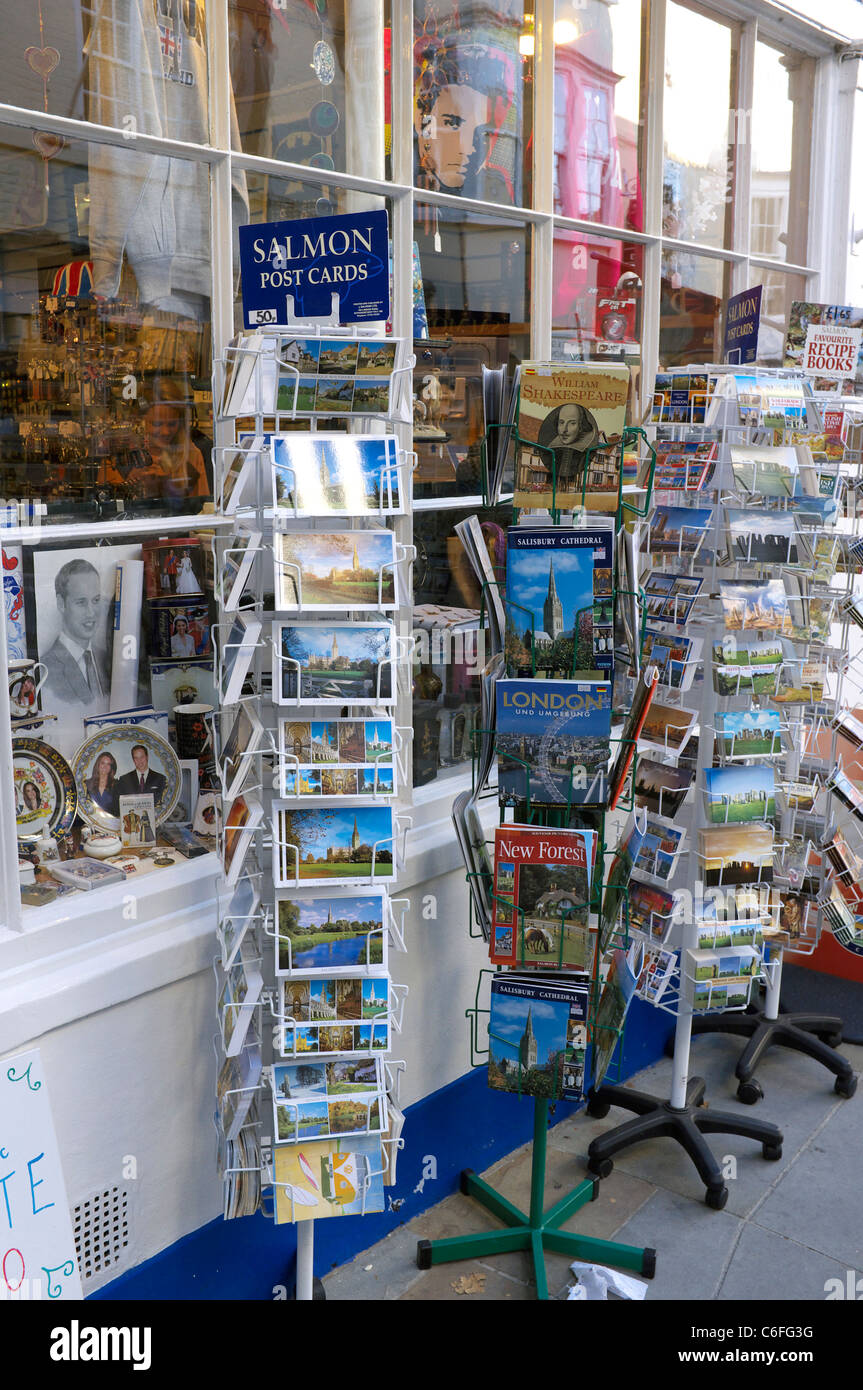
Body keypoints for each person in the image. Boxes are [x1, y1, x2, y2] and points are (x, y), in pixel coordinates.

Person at [42, 558, 110, 709]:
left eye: (96, 600)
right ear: (61, 604)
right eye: (81, 602)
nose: (91, 612)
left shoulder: (107, 658)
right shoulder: (45, 671)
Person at [85, 751, 119, 816]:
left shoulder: (117, 785)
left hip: (111, 823)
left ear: (111, 767)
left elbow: (118, 809)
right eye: (103, 763)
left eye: (108, 764)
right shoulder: (86, 784)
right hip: (90, 821)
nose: (105, 766)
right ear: (98, 765)